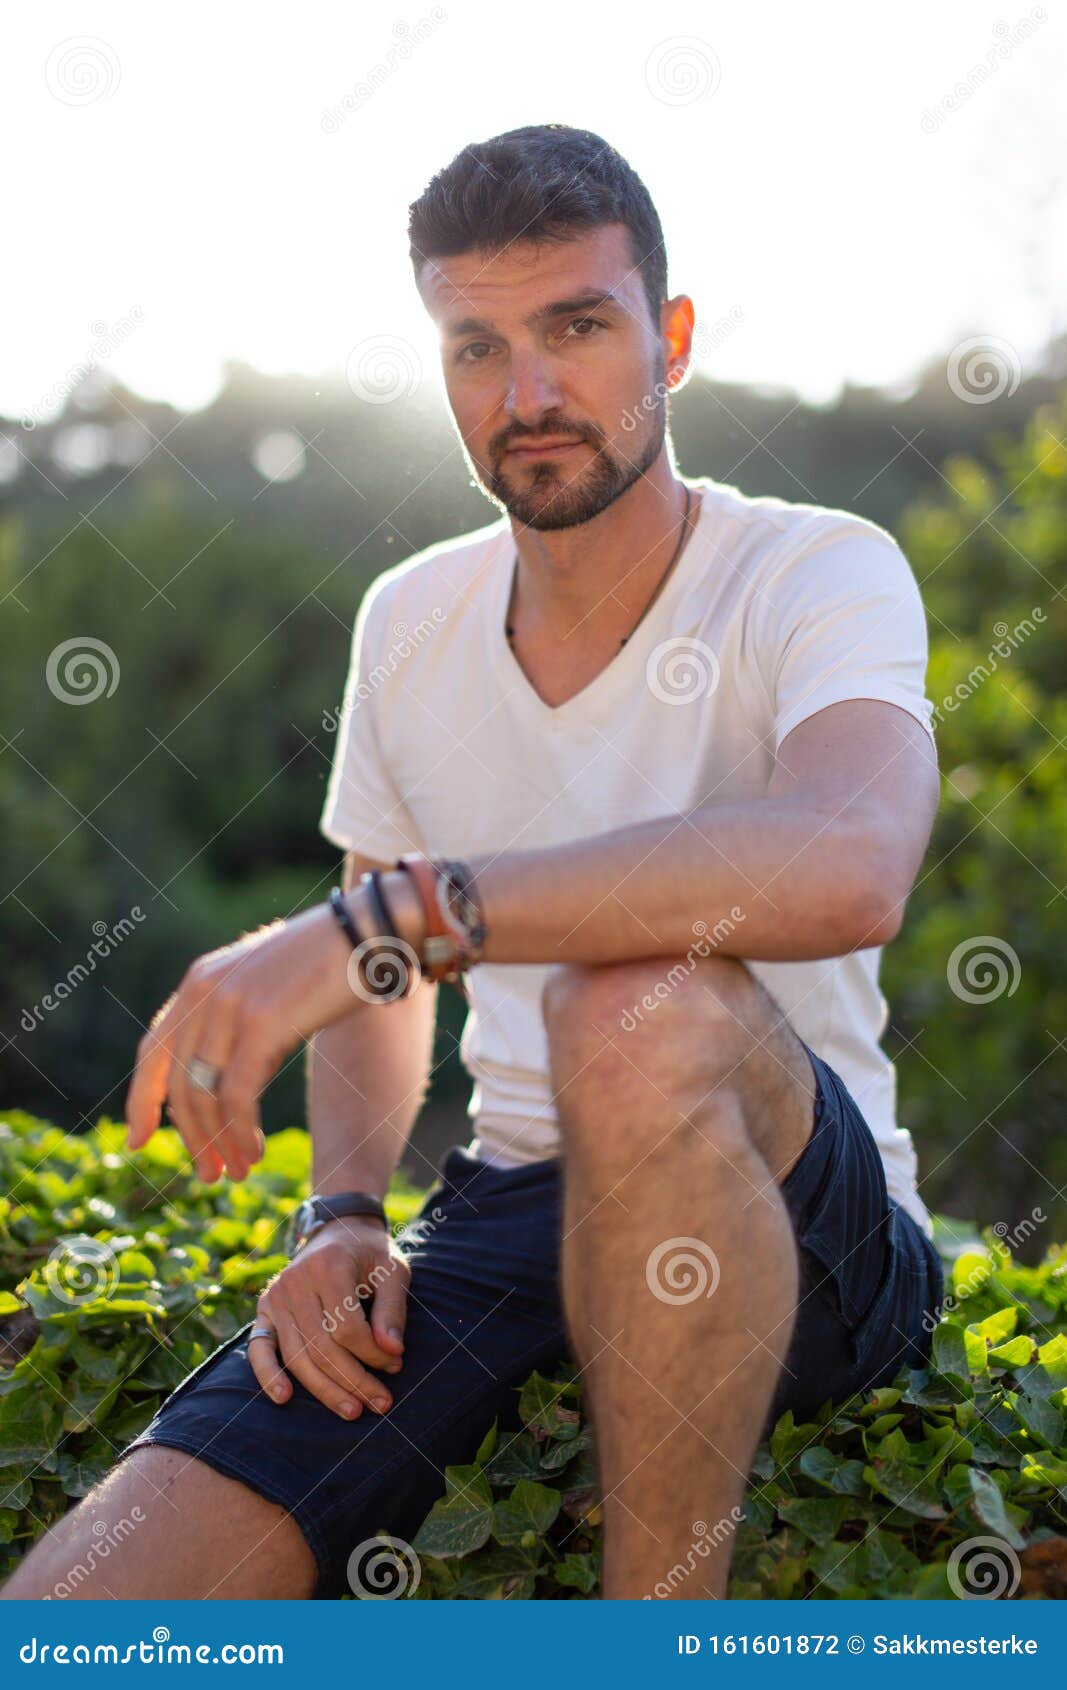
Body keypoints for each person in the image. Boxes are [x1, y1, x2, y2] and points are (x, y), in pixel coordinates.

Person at [2, 124, 943, 1603]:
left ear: (671, 337)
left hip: (802, 1210)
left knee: (632, 1014)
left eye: (578, 326)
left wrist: (406, 913)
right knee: (79, 1614)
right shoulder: (411, 617)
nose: (532, 393)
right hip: (513, 1209)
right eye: (476, 346)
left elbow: (852, 858)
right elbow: (382, 988)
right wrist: (348, 1210)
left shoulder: (816, 570)